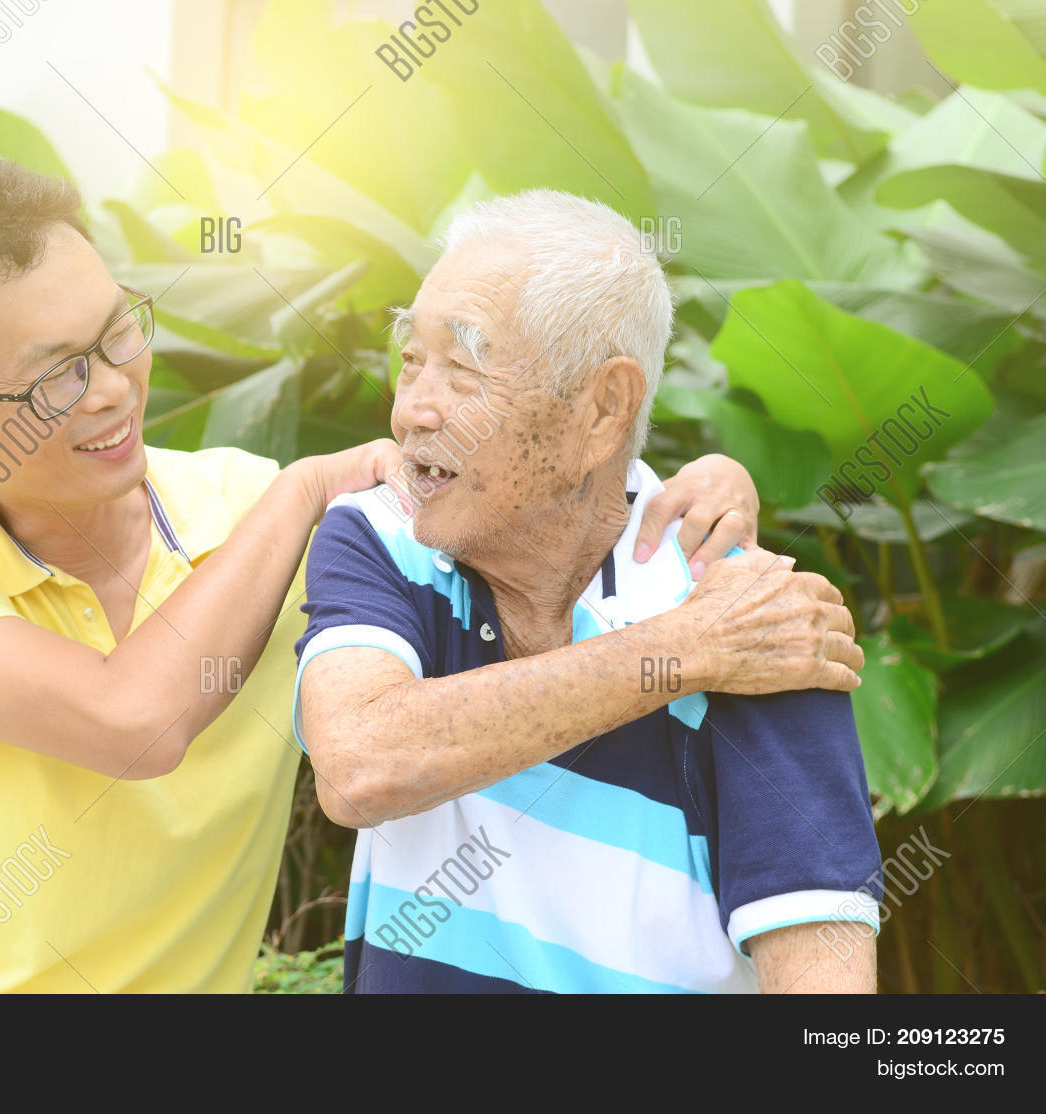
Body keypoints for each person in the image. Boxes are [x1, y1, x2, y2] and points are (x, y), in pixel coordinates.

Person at [0, 157, 861, 992]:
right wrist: (304, 489)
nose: (113, 389)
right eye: (52, 377)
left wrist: (696, 484)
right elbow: (139, 722)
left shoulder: (251, 509)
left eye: (118, 331)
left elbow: (525, 486)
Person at [295, 189, 880, 994]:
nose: (411, 409)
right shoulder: (382, 537)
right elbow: (363, 764)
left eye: (463, 369)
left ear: (603, 411)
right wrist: (688, 650)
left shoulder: (760, 618)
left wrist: (715, 637)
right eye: (411, 359)